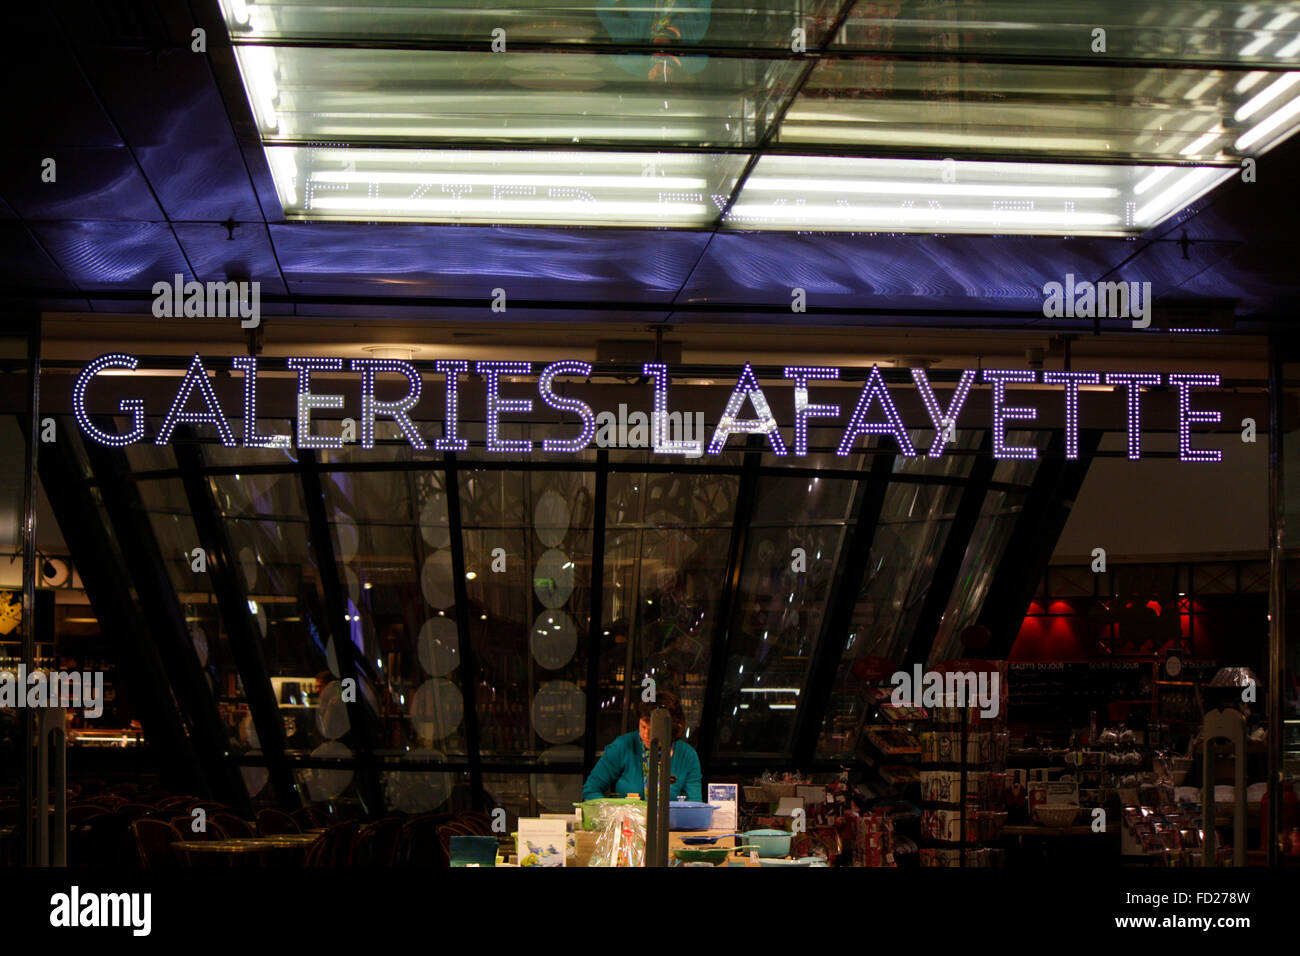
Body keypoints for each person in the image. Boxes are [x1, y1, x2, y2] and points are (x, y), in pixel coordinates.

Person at [582, 691, 702, 802]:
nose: (645, 735)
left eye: (653, 730)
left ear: (671, 728)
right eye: (643, 727)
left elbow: (695, 804)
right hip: (626, 823)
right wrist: (612, 813)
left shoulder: (687, 755)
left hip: (671, 823)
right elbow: (591, 791)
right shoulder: (622, 745)